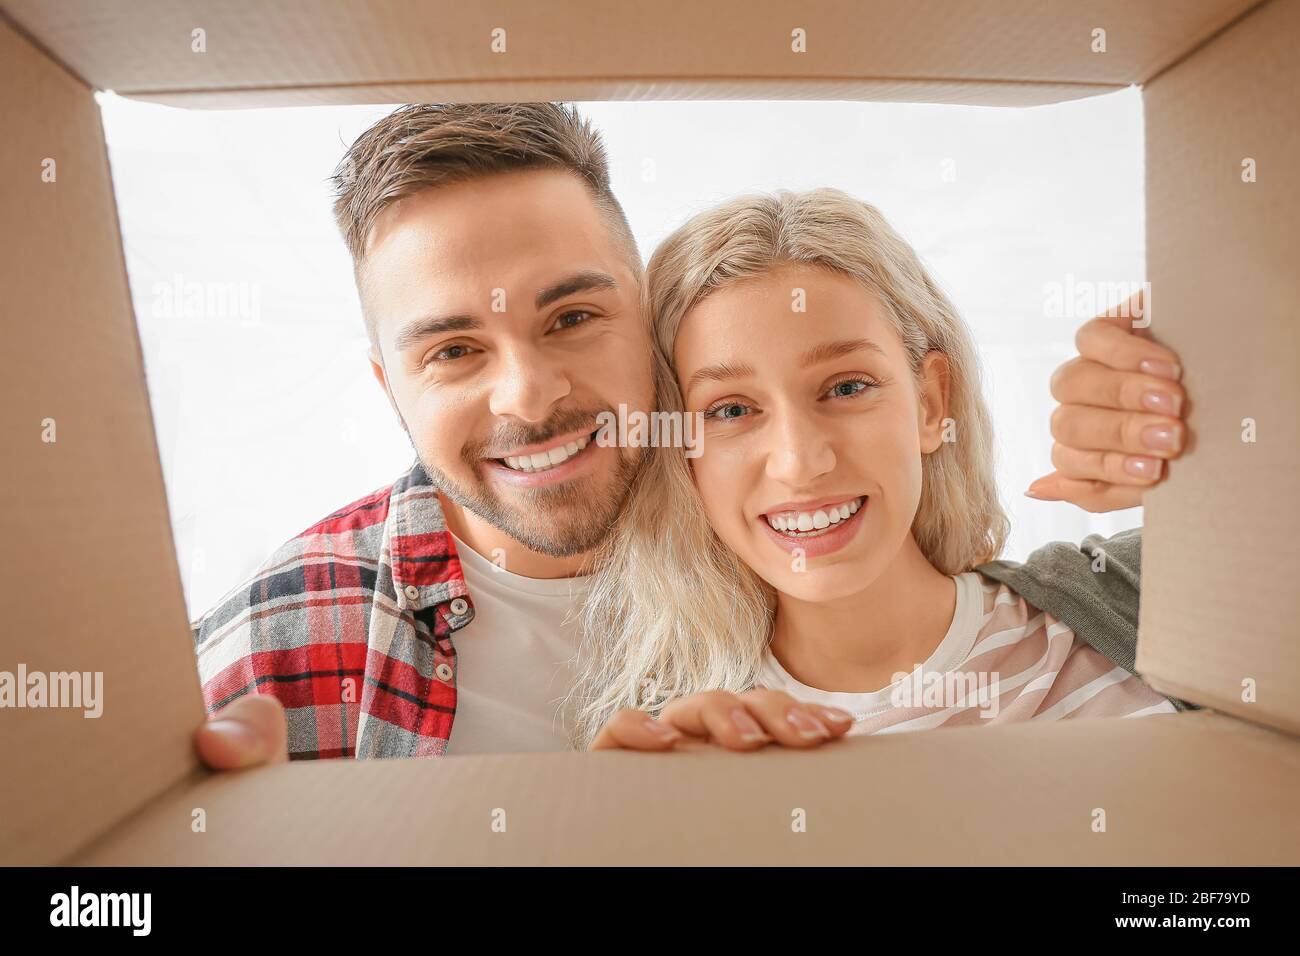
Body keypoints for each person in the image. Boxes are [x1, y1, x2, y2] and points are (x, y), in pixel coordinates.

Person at [191, 104, 1188, 768]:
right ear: (388, 384)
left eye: (573, 316)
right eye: (452, 348)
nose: (528, 394)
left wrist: (1210, 396)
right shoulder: (286, 636)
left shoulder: (1125, 598)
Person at [574, 188, 1183, 748]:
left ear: (930, 402)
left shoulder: (1147, 593)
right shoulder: (685, 751)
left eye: (846, 387)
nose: (800, 461)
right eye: (730, 409)